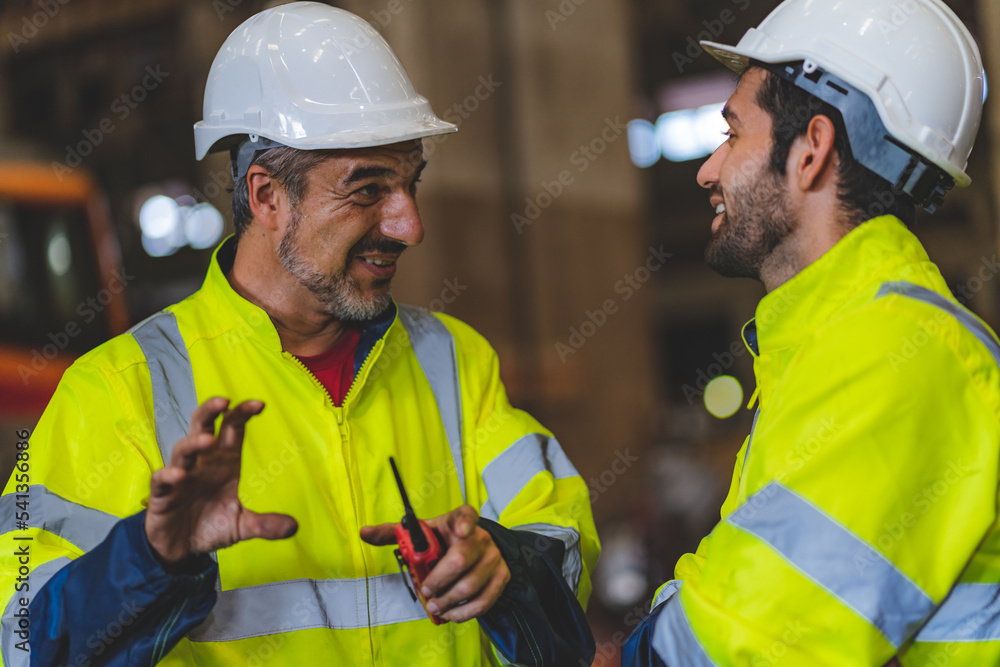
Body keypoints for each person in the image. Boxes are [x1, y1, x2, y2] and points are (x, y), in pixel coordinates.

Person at [0, 4, 599, 666]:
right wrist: (150, 559)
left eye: (410, 184)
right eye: (368, 190)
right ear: (266, 197)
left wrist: (504, 565)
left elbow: (566, 555)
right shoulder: (110, 391)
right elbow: (18, 637)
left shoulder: (454, 359)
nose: (409, 225)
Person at [622, 0, 999, 665]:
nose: (709, 170)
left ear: (811, 151)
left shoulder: (893, 351)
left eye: (733, 134)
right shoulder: (834, 341)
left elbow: (743, 645)